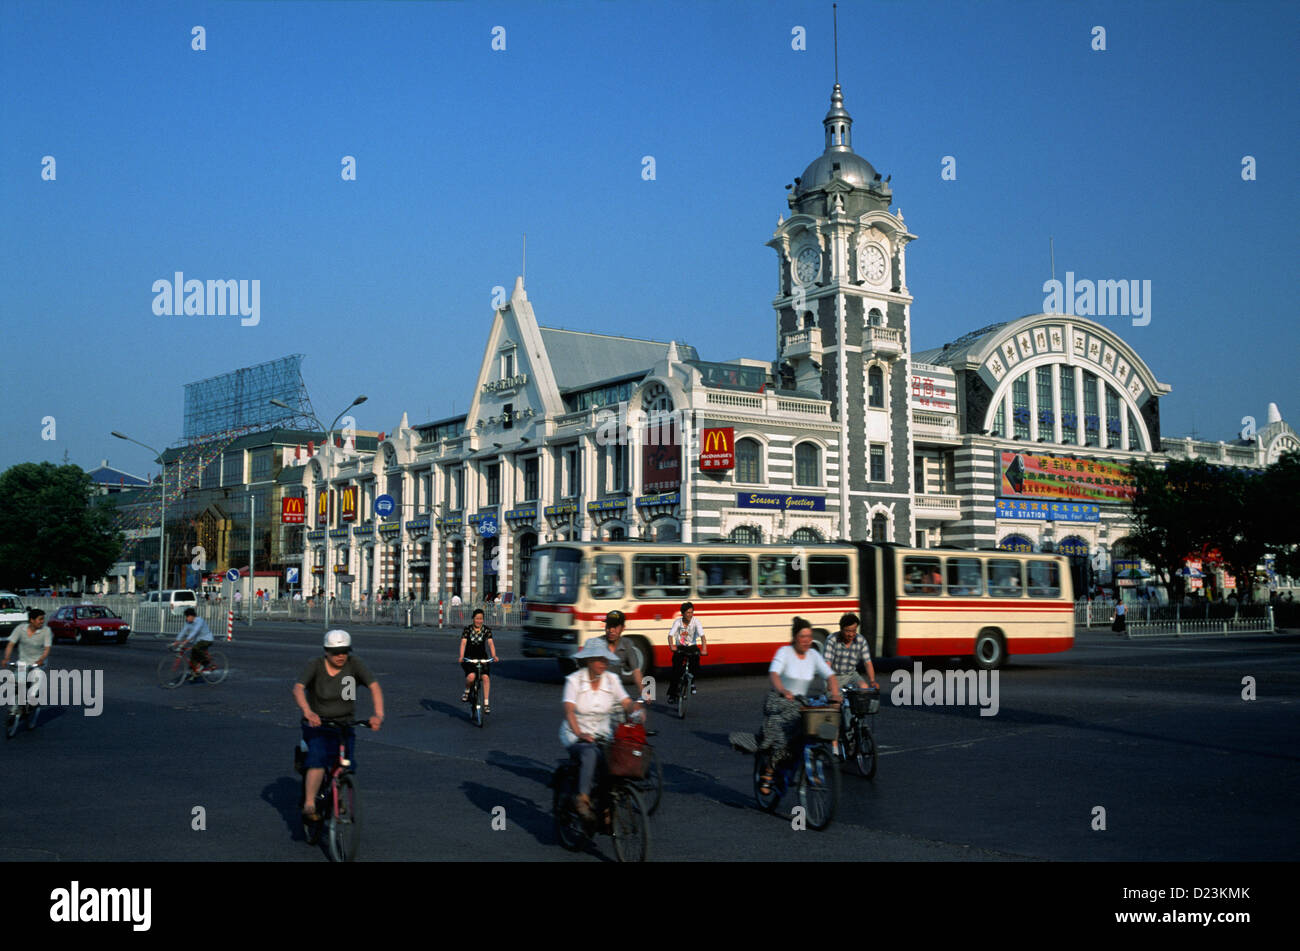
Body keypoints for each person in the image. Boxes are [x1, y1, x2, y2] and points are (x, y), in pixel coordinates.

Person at [293, 630, 384, 822]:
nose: (341, 656)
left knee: (345, 763)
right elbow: (298, 689)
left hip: (344, 724)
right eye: (336, 652)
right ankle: (309, 803)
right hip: (318, 724)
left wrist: (378, 714)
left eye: (344, 651)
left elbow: (374, 686)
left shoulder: (354, 665)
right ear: (326, 651)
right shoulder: (315, 665)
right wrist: (308, 711)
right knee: (317, 759)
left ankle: (339, 795)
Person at [560, 639, 643, 819]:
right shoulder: (574, 681)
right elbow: (569, 711)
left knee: (616, 761)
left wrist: (635, 709)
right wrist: (579, 733)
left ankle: (605, 806)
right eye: (598, 659)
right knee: (590, 753)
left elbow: (626, 702)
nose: (602, 663)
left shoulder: (611, 680)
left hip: (603, 734)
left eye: (605, 659)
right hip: (575, 733)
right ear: (588, 661)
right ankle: (582, 798)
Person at [759, 617, 841, 795]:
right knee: (782, 739)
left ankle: (808, 763)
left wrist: (835, 694)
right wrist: (782, 690)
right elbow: (774, 673)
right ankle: (769, 770)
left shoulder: (813, 655)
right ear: (795, 637)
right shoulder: (784, 652)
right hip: (780, 701)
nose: (807, 640)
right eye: (803, 636)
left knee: (814, 731)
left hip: (801, 704)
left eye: (809, 636)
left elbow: (830, 676)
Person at [598, 610, 649, 723]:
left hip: (616, 693)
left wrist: (642, 690)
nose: (611, 630)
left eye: (615, 627)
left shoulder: (627, 644)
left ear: (623, 628)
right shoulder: (597, 644)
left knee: (632, 719)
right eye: (608, 626)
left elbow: (636, 670)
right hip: (598, 694)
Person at [4, 609, 52, 717]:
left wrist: (41, 659)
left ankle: (32, 703)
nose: (42, 621)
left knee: (33, 689)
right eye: (40, 619)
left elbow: (47, 649)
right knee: (17, 684)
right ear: (32, 620)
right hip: (23, 663)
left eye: (43, 619)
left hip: (38, 664)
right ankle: (15, 708)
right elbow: (10, 644)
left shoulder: (46, 631)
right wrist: (6, 658)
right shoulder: (20, 629)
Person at [458, 608, 499, 712]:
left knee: (485, 677)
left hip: (482, 657)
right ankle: (467, 690)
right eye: (477, 618)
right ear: (473, 619)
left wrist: (494, 655)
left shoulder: (486, 630)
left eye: (481, 619)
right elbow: (463, 643)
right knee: (471, 677)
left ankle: (486, 703)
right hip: (469, 658)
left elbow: (490, 643)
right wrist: (461, 656)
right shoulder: (467, 629)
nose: (479, 621)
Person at [666, 601, 706, 703]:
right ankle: (672, 694)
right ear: (683, 613)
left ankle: (692, 683)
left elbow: (702, 636)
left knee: (696, 662)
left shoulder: (696, 622)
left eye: (691, 612)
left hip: (692, 647)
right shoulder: (677, 622)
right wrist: (672, 646)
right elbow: (670, 636)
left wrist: (704, 648)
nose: (690, 615)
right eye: (688, 613)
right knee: (676, 670)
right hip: (680, 647)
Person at [171, 607, 216, 680]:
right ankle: (196, 672)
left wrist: (186, 641)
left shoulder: (199, 621)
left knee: (196, 648)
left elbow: (194, 632)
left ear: (192, 616)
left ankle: (206, 661)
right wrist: (177, 641)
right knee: (193, 656)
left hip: (207, 639)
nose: (187, 618)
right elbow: (183, 631)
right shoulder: (188, 622)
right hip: (197, 641)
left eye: (187, 616)